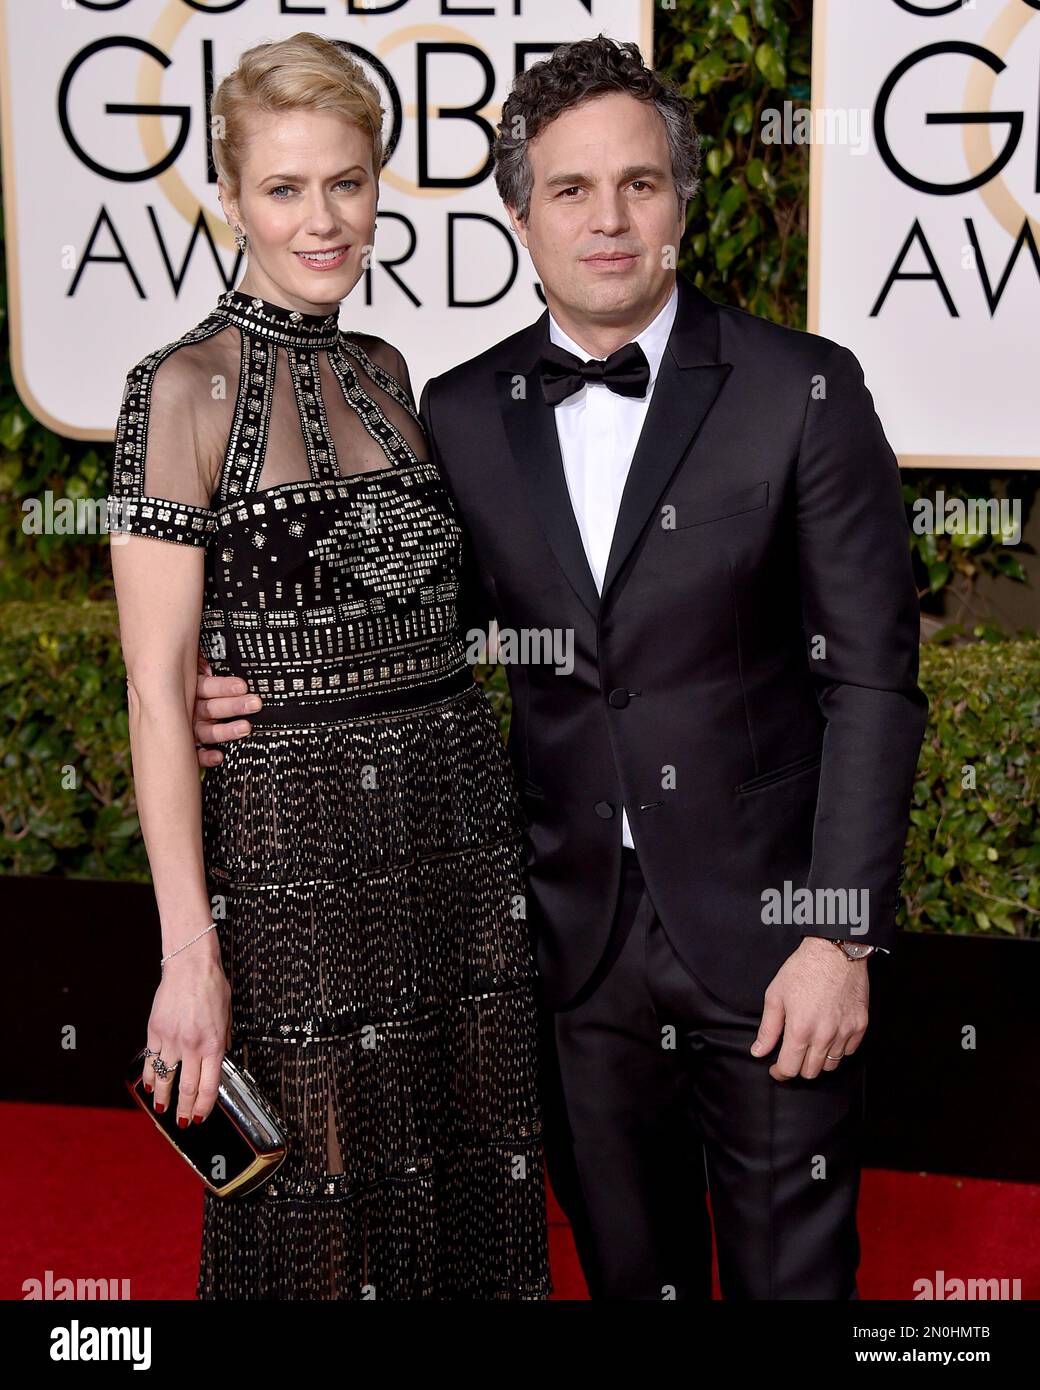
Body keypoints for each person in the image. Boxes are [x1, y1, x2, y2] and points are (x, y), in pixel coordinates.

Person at [194, 36, 928, 1299]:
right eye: (571, 190)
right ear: (520, 217)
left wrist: (840, 937)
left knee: (788, 1280)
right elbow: (426, 626)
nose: (607, 219)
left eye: (638, 185)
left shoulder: (800, 388)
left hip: (772, 944)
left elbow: (869, 679)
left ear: (680, 207)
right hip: (566, 950)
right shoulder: (465, 411)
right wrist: (249, 690)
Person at [107, 31, 550, 1301]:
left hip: (452, 826)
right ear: (232, 198)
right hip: (291, 842)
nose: (323, 219)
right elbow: (154, 687)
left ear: (378, 187)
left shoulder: (389, 373)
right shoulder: (178, 392)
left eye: (346, 183)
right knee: (313, 1192)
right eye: (287, 188)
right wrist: (187, 950)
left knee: (469, 1154)